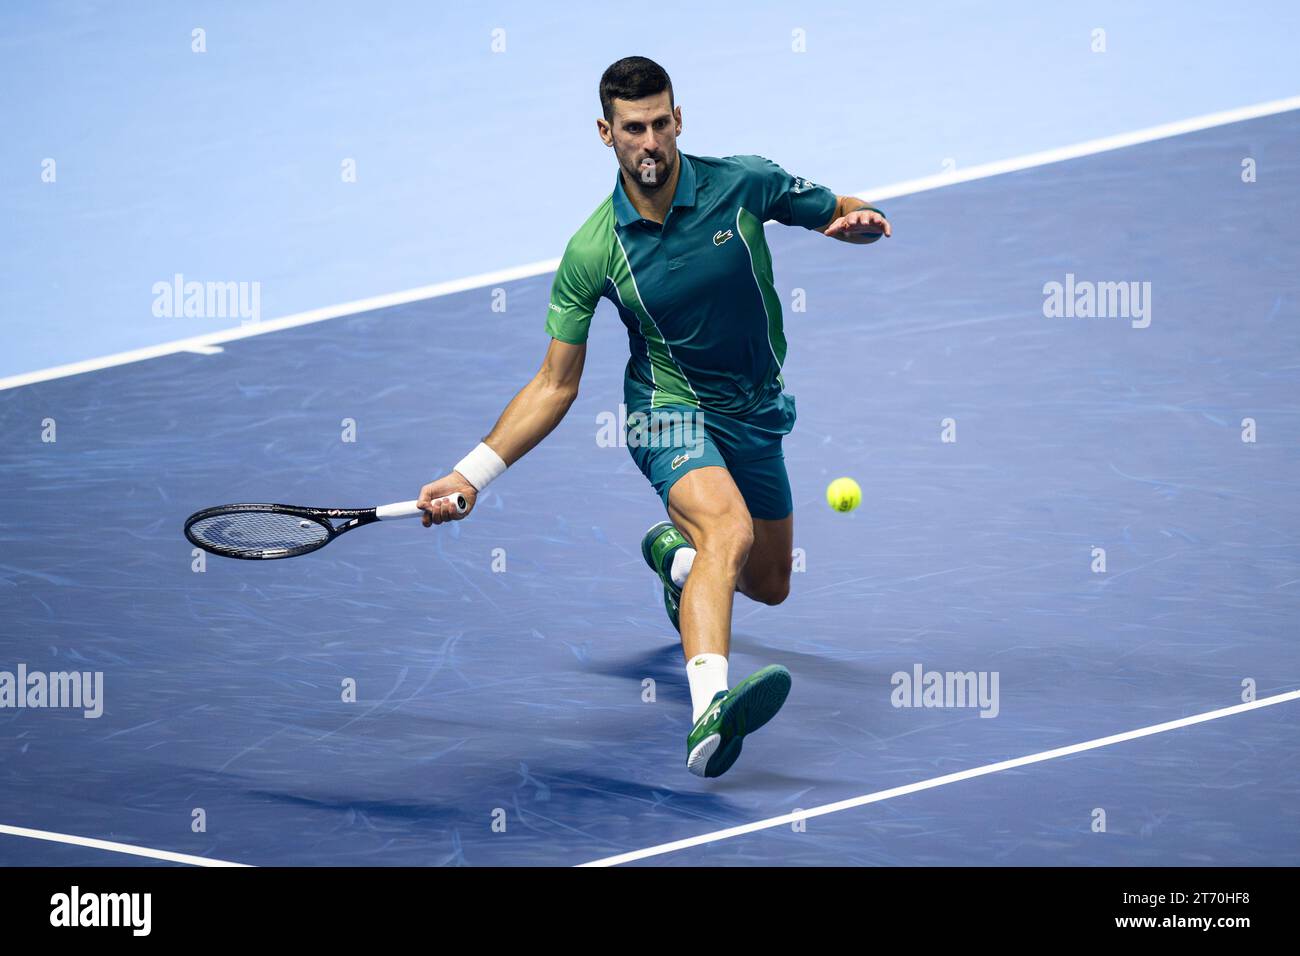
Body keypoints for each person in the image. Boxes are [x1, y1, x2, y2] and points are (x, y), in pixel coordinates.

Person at [417, 56, 890, 778]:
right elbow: (553, 384)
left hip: (756, 409)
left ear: (679, 121)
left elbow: (834, 210)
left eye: (660, 124)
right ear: (605, 133)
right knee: (726, 528)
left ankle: (675, 561)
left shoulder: (743, 181)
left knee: (767, 583)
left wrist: (854, 224)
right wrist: (472, 473)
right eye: (632, 128)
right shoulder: (593, 250)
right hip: (665, 412)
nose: (650, 142)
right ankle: (710, 714)